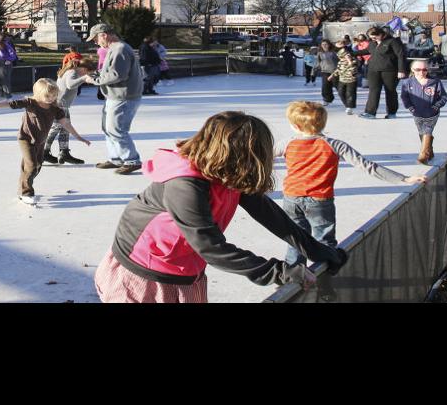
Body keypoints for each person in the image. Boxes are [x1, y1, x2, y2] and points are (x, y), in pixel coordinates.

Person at [93, 111, 349, 303]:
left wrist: (319, 251)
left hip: (184, 266)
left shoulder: (228, 173)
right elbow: (210, 245)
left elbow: (272, 217)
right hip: (144, 270)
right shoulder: (185, 185)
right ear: (235, 153)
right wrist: (277, 272)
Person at [279, 101, 428, 266]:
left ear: (297, 127)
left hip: (291, 198)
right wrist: (404, 178)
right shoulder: (335, 145)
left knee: (296, 238)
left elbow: (262, 156)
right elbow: (368, 166)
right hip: (319, 201)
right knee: (324, 241)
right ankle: (323, 277)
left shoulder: (287, 144)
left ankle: (292, 274)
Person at [0, 78, 90, 207]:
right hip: (25, 139)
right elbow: (8, 104)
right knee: (31, 165)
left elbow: (66, 124)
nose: (51, 98)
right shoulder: (30, 103)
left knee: (36, 167)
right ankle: (27, 193)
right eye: (47, 95)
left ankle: (23, 187)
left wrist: (79, 137)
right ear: (38, 94)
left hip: (40, 141)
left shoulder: (56, 109)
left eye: (54, 95)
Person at [83, 23, 144, 175]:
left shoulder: (120, 49)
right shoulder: (114, 49)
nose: (96, 42)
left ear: (104, 35)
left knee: (117, 129)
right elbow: (110, 70)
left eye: (96, 39)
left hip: (123, 96)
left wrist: (94, 81)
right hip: (115, 95)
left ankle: (132, 160)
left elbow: (117, 75)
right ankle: (115, 158)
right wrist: (96, 74)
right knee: (108, 128)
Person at [43, 57, 98, 165]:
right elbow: (70, 84)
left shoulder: (73, 71)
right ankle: (43, 152)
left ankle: (64, 152)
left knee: (65, 129)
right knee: (55, 128)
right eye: (87, 73)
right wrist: (84, 78)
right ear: (84, 69)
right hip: (59, 106)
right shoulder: (72, 72)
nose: (85, 75)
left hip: (62, 105)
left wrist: (94, 75)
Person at [400, 60, 447, 164]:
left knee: (427, 131)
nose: (421, 72)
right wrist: (410, 107)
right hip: (417, 113)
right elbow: (404, 97)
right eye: (418, 70)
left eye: (424, 69)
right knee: (422, 133)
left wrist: (436, 106)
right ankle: (429, 151)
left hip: (432, 113)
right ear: (412, 70)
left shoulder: (435, 82)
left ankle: (423, 156)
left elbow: (444, 97)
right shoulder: (407, 83)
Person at [360, 27, 407, 120]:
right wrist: (351, 53)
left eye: (374, 37)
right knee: (373, 91)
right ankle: (370, 112)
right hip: (373, 70)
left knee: (390, 91)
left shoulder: (392, 41)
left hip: (390, 71)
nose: (373, 39)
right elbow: (366, 51)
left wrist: (401, 70)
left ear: (381, 34)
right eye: (371, 38)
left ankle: (391, 112)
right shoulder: (372, 43)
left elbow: (401, 55)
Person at [329, 48, 360, 115]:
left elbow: (353, 70)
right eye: (346, 54)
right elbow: (338, 70)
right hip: (342, 80)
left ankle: (350, 107)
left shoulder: (354, 61)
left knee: (350, 94)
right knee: (341, 93)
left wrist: (349, 62)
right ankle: (347, 105)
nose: (347, 55)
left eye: (348, 54)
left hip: (351, 80)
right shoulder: (340, 62)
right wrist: (332, 75)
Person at [0, 29, 18, 99]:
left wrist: (10, 60)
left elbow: (12, 53)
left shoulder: (6, 43)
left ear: (1, 36)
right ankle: (2, 93)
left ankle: (7, 94)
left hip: (5, 62)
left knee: (5, 79)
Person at [316, 40, 339, 106]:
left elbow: (339, 61)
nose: (324, 46)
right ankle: (327, 99)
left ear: (329, 45)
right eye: (322, 44)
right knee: (325, 87)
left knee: (337, 86)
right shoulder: (320, 53)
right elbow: (318, 62)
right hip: (325, 71)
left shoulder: (334, 52)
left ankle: (346, 99)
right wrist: (314, 70)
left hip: (335, 71)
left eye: (326, 44)